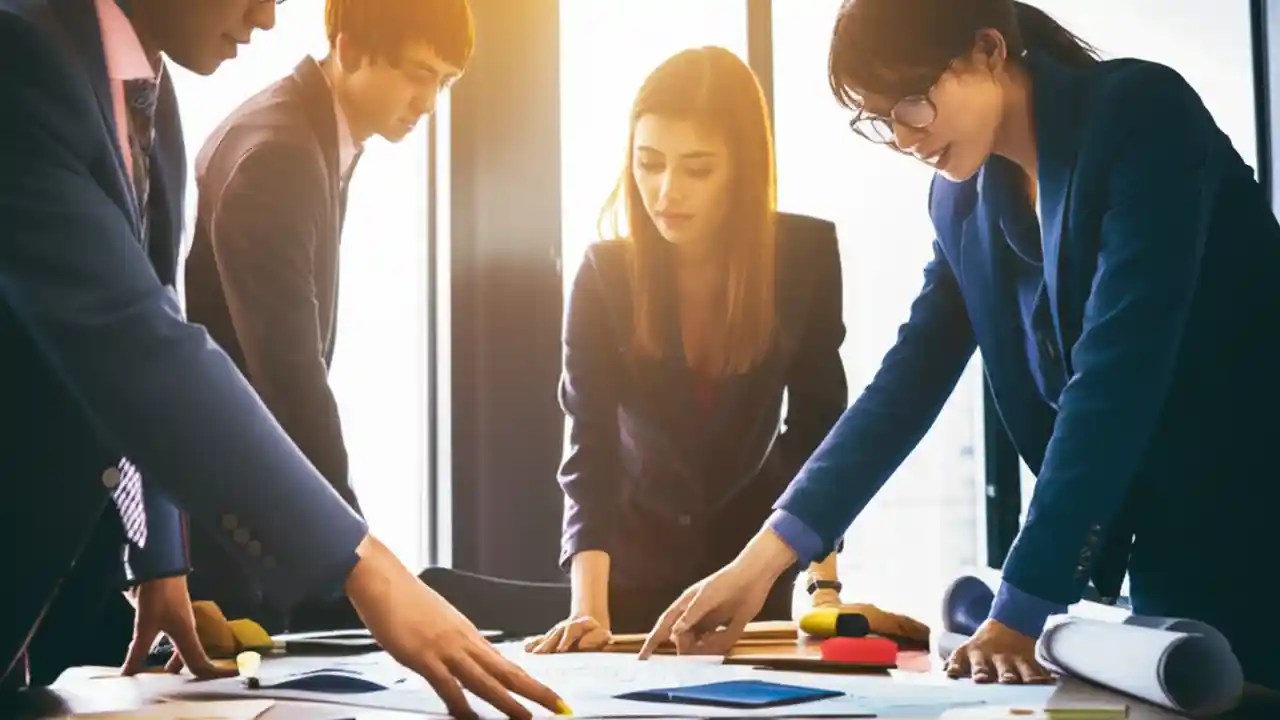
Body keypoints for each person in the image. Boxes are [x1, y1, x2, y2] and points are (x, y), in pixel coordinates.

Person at [640, 0, 1280, 692]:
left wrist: (1025, 602)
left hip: (1258, 500)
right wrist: (760, 562)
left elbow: (1117, 375)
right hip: (1165, 542)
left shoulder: (1142, 116)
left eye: (911, 104)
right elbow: (906, 383)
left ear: (988, 51)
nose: (904, 137)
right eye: (879, 120)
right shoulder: (962, 201)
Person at [0, 1, 563, 715]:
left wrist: (160, 561)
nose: (267, 18)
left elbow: (157, 315)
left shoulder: (150, 97)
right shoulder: (19, 56)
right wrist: (365, 569)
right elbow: (135, 342)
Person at [526, 46, 849, 654]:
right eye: (649, 163)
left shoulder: (802, 260)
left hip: (752, 577)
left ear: (742, 169)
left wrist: (809, 576)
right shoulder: (605, 276)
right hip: (626, 581)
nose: (666, 191)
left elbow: (820, 432)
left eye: (697, 168)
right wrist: (588, 609)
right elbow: (588, 451)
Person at [184, 0, 470, 633]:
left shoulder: (310, 136)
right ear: (348, 46)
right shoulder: (279, 155)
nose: (428, 101)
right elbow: (290, 383)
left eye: (443, 81)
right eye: (417, 72)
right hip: (226, 533)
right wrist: (360, 560)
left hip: (247, 517)